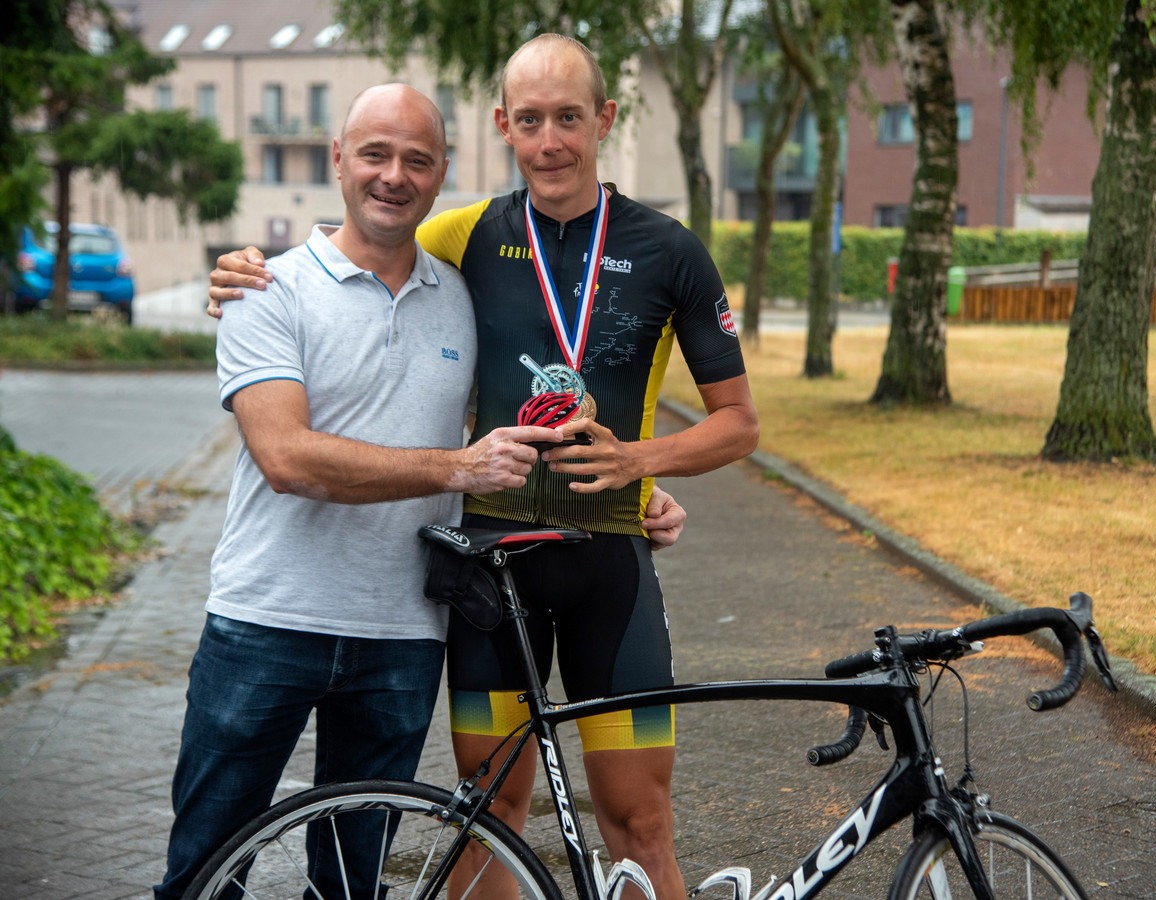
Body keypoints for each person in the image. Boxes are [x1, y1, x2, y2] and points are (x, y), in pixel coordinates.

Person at [209, 34, 757, 900]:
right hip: (491, 575)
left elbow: (738, 425)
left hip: (612, 570)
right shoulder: (464, 234)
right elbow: (366, 236)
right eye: (530, 120)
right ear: (503, 126)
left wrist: (642, 463)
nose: (550, 141)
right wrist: (249, 271)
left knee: (642, 823)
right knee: (489, 816)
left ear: (604, 119)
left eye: (569, 118)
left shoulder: (670, 249)